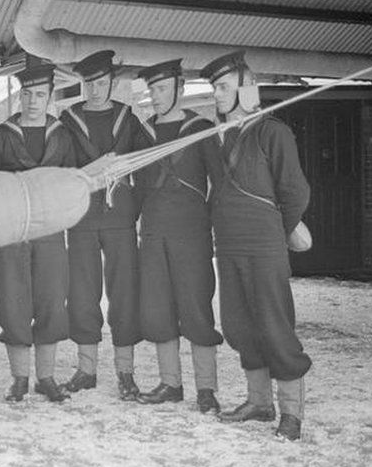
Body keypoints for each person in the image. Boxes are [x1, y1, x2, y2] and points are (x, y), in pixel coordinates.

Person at [199, 51, 311, 441]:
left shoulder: (272, 132)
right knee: (239, 325)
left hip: (264, 245)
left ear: (247, 90)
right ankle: (259, 402)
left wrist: (275, 233)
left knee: (274, 325)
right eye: (214, 88)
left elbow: (295, 191)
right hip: (227, 244)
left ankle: (292, 413)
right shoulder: (214, 137)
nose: (216, 94)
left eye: (224, 87)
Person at [132, 59, 223, 413]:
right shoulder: (143, 132)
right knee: (157, 308)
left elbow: (220, 182)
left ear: (180, 90)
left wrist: (208, 222)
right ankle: (170, 383)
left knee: (197, 307)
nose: (155, 97)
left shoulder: (201, 129)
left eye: (162, 89)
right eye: (152, 90)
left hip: (191, 233)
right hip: (153, 232)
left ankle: (206, 389)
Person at [0, 63, 77, 403]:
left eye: (40, 95)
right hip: (11, 232)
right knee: (13, 300)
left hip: (50, 230)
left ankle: (47, 378)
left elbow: (71, 182)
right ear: (19, 96)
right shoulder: (1, 134)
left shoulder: (62, 135)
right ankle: (20, 379)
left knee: (52, 300)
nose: (33, 101)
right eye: (27, 94)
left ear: (50, 97)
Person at [58, 50, 144, 401]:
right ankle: (87, 369)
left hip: (120, 217)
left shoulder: (128, 117)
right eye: (89, 83)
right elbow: (61, 165)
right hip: (81, 217)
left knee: (124, 291)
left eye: (101, 82)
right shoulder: (69, 119)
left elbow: (145, 164)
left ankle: (125, 372)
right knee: (81, 291)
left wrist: (134, 208)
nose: (95, 89)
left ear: (112, 82)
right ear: (82, 84)